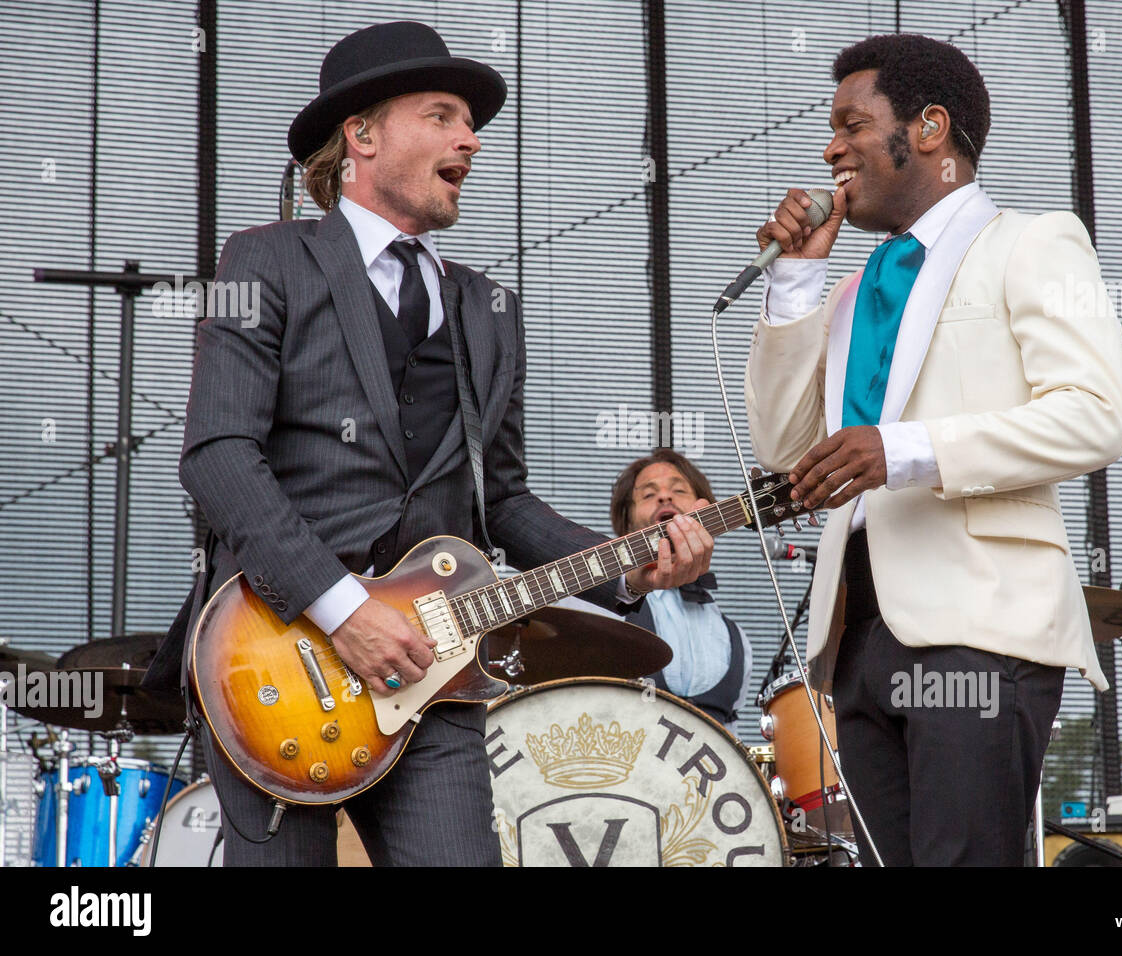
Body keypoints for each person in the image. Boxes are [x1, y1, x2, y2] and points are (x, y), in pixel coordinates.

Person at [145, 21, 713, 866]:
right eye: (443, 115)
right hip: (275, 659)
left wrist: (627, 563)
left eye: (470, 124)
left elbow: (505, 500)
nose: (470, 140)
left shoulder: (490, 309)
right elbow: (219, 456)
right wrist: (344, 610)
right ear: (362, 136)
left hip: (436, 674)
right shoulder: (265, 261)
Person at [744, 33, 1122, 865]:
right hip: (857, 632)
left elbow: (1094, 415)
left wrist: (909, 449)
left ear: (928, 128)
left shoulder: (1030, 244)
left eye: (852, 122)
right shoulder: (853, 288)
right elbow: (785, 447)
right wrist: (796, 285)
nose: (830, 146)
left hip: (977, 626)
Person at [609, 450, 752, 735]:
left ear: (708, 514)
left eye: (678, 490)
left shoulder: (740, 642)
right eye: (649, 495)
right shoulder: (601, 614)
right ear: (626, 524)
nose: (665, 497)